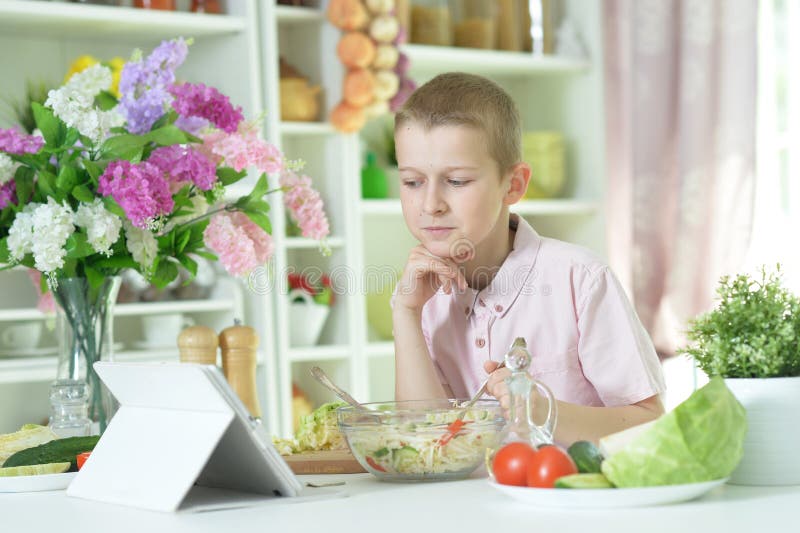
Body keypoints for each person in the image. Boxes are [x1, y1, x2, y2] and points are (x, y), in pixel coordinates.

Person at [391, 72, 666, 445]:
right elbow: (424, 444)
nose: (430, 205)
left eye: (456, 181)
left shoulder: (580, 279)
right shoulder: (424, 300)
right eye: (412, 182)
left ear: (514, 185)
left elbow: (650, 424)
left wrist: (544, 411)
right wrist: (405, 315)